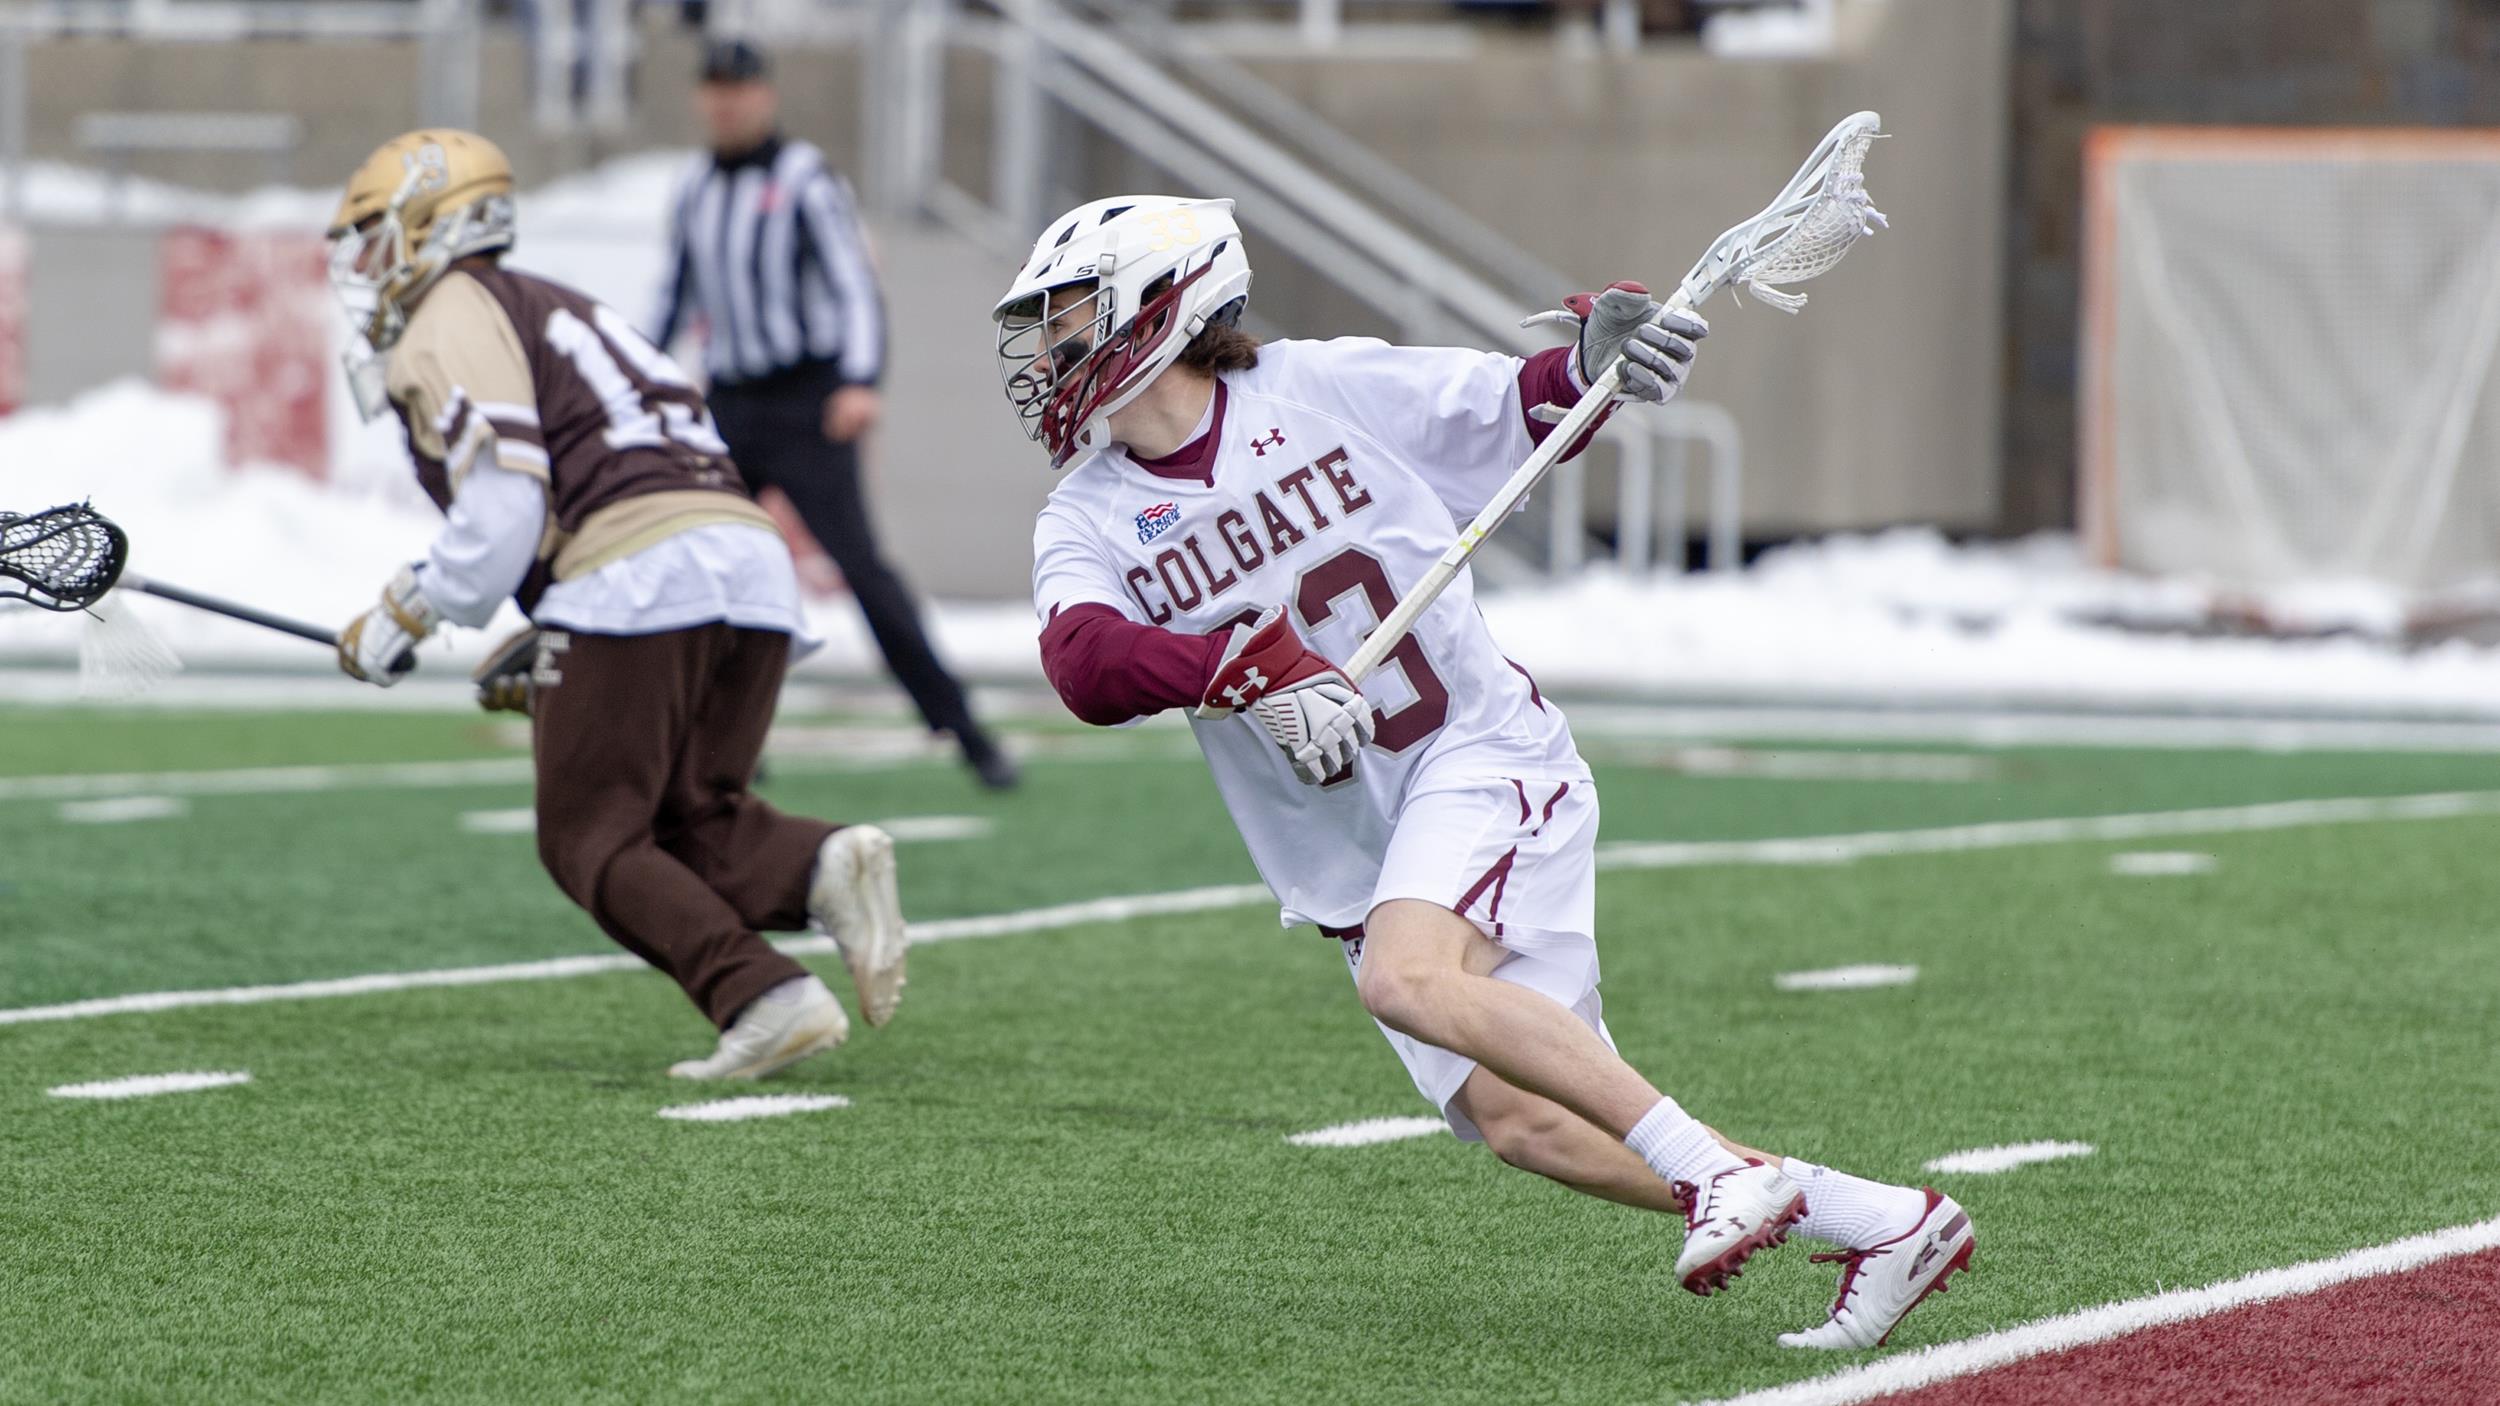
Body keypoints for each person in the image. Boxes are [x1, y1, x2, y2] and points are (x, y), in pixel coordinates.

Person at [1002, 196, 1974, 1349]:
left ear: (1163, 302)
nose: (1049, 351)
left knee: (1404, 981)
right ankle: (1888, 1219)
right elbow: (1084, 661)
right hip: (1357, 845)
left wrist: (1587, 363)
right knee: (1532, 1126)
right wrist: (1245, 665)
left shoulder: (1323, 389)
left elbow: (1522, 407)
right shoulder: (1089, 514)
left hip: (1478, 754)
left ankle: (1719, 1171)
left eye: (1068, 318)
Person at [324, 127, 910, 1079]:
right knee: (688, 817)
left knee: (586, 834)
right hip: (743, 562)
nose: (362, 260)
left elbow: (507, 506)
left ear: (439, 223)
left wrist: (410, 608)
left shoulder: (451, 311)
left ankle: (761, 994)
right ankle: (822, 867)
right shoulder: (557, 302)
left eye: (376, 233)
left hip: (639, 569)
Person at [651, 39, 1017, 790]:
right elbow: (674, 298)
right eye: (715, 90)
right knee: (709, 572)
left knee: (862, 570)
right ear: (701, 99)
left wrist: (859, 380)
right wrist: (638, 379)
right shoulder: (692, 189)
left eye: (740, 89)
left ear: (766, 95)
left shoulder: (805, 178)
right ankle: (731, 745)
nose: (728, 103)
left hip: (806, 403)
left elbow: (854, 286)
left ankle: (962, 728)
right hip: (730, 404)